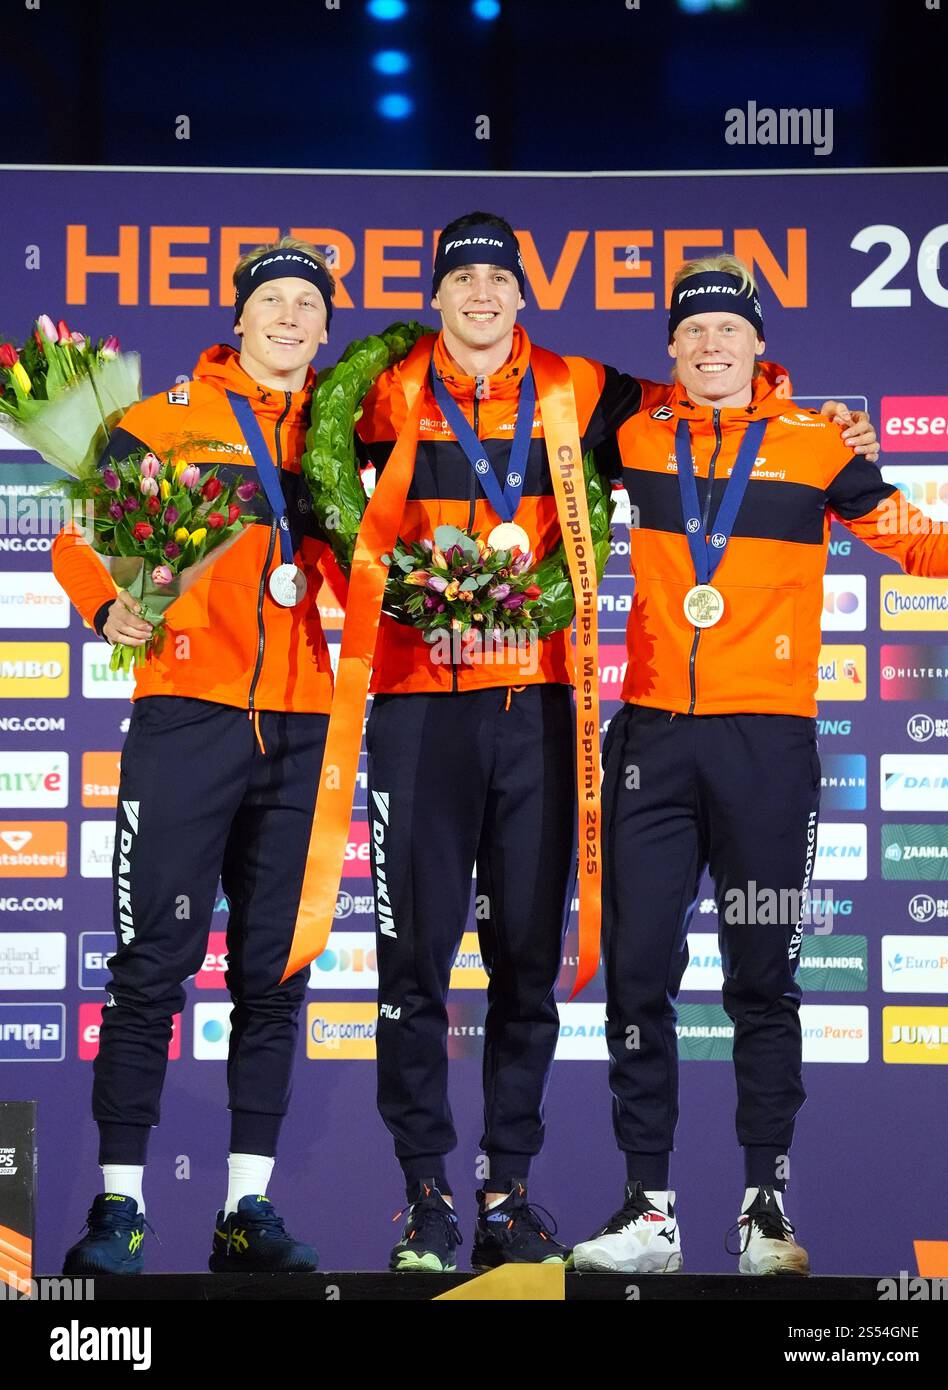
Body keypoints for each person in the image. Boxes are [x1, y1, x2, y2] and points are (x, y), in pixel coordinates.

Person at [345, 216, 875, 1273]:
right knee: (437, 971)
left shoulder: (597, 395)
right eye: (466, 278)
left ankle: (532, 1193)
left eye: (502, 275)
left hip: (562, 713)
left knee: (550, 969)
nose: (485, 294)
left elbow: (875, 507)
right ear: (437, 296)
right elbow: (311, 489)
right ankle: (440, 1199)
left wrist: (830, 431)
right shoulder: (382, 392)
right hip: (428, 705)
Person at [571, 253, 948, 1276]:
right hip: (653, 742)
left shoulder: (817, 445)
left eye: (729, 330)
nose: (711, 346)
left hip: (768, 750)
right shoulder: (631, 434)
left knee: (763, 979)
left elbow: (916, 544)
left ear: (758, 344)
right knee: (639, 977)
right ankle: (649, 1208)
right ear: (672, 350)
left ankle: (763, 1210)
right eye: (693, 331)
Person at [55, 237, 344, 1275]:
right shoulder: (160, 423)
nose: (288, 318)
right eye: (271, 300)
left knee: (275, 978)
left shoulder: (341, 439)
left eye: (306, 306)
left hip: (304, 726)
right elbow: (77, 537)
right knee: (150, 974)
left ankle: (246, 1211)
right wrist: (107, 602)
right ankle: (119, 1209)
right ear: (239, 318)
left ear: (324, 329)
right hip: (187, 717)